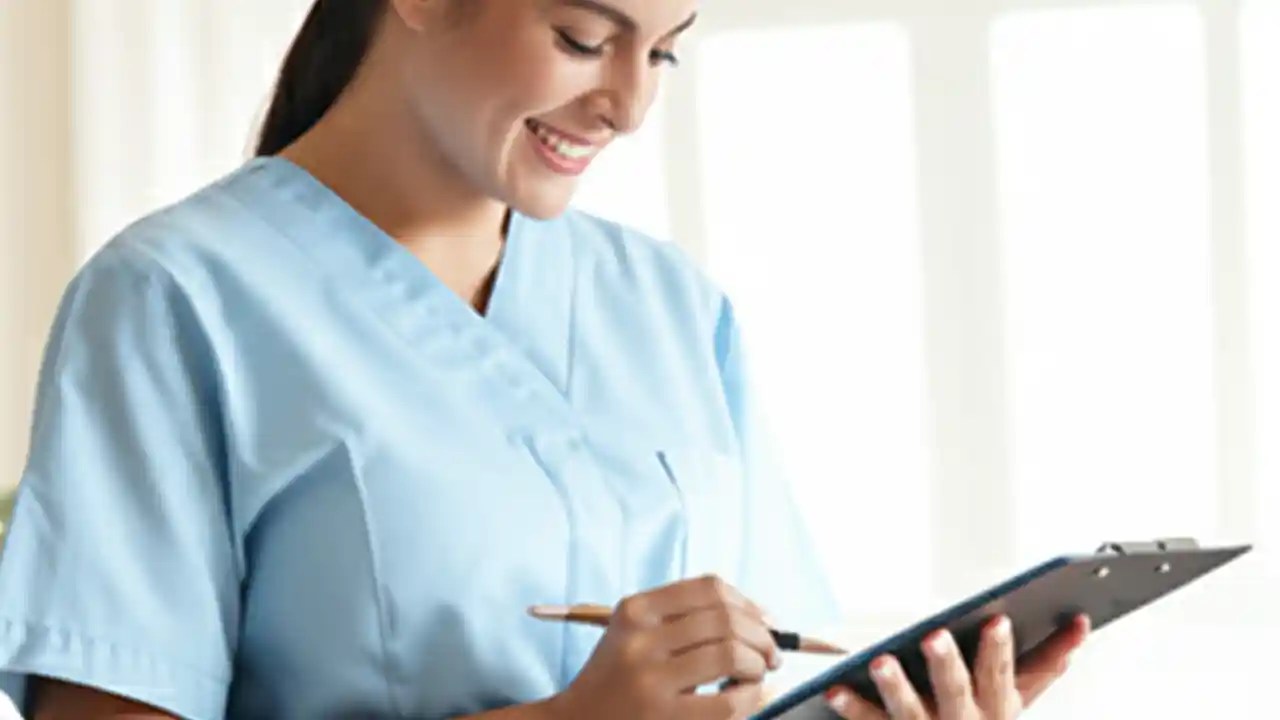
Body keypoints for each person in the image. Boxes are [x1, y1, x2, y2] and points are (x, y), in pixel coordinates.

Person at [0, 1, 1088, 718]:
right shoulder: (177, 300)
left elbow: (763, 685)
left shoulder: (667, 304)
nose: (626, 103)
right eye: (581, 36)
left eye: (660, 50)